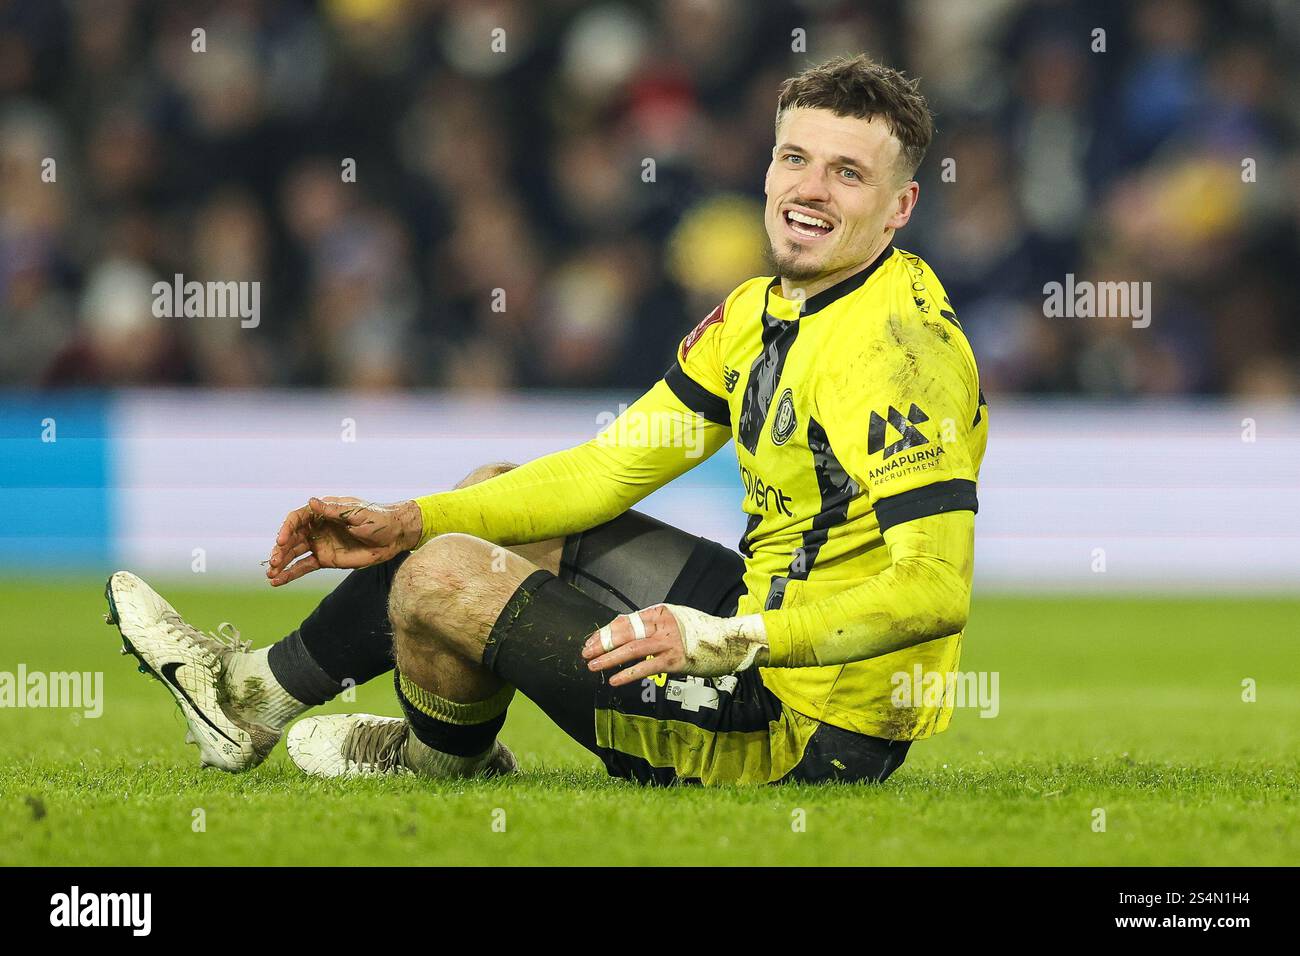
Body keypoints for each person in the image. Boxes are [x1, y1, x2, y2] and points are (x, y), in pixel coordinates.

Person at [105, 53, 987, 786]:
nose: (811, 189)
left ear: (900, 208)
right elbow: (608, 472)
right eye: (795, 158)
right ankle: (257, 701)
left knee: (441, 579)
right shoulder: (761, 310)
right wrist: (411, 519)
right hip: (765, 620)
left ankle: (413, 751)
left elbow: (934, 590)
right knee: (481, 501)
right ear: (766, 168)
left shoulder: (899, 355)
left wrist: (727, 638)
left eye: (848, 173)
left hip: (809, 726)